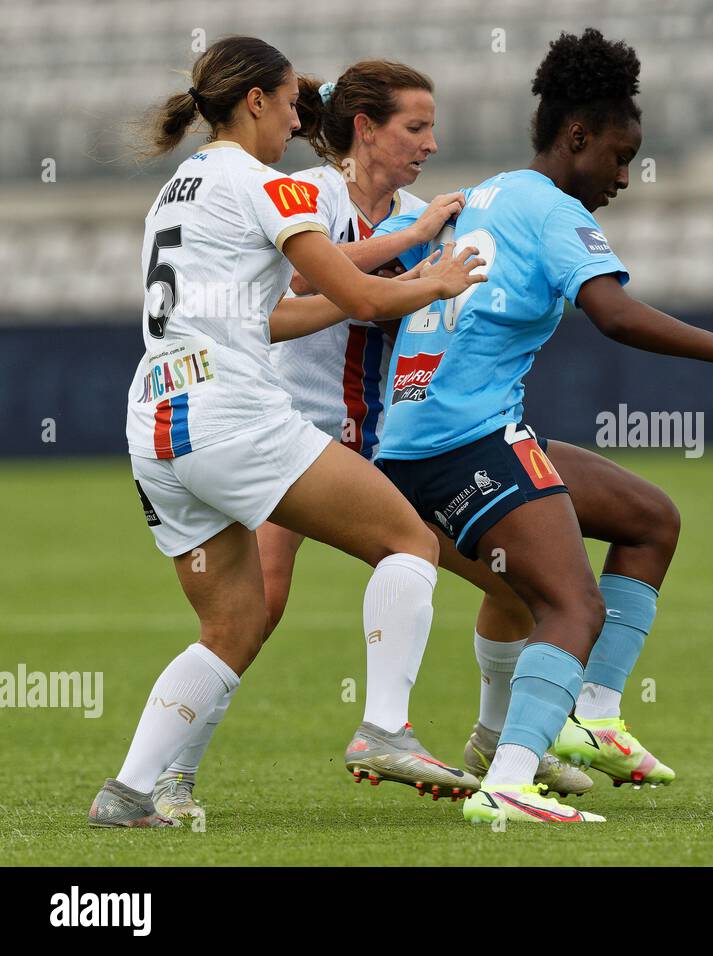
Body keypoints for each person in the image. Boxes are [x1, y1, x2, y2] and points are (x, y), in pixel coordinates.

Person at [373, 28, 713, 824]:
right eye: (619, 154)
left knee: (649, 520)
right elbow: (612, 313)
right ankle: (510, 779)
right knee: (572, 607)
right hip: (461, 440)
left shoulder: (483, 195)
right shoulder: (550, 209)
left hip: (421, 440)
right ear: (576, 136)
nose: (624, 174)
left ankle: (595, 718)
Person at [152, 59, 589, 821]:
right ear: (364, 131)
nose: (429, 143)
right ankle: (169, 777)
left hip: (385, 448)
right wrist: (413, 243)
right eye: (414, 128)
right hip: (288, 435)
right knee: (251, 615)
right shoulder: (308, 197)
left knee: (513, 584)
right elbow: (297, 287)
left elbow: (431, 310)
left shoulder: (428, 217)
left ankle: (494, 741)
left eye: (430, 128)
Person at [89, 36, 483, 827]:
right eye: (290, 103)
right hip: (231, 411)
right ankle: (384, 729)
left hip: (156, 418)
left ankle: (129, 792)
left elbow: (275, 315)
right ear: (256, 101)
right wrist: (432, 277)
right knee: (410, 544)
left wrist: (399, 255)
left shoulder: (179, 189)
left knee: (233, 624)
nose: (302, 117)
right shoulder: (268, 184)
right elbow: (362, 299)